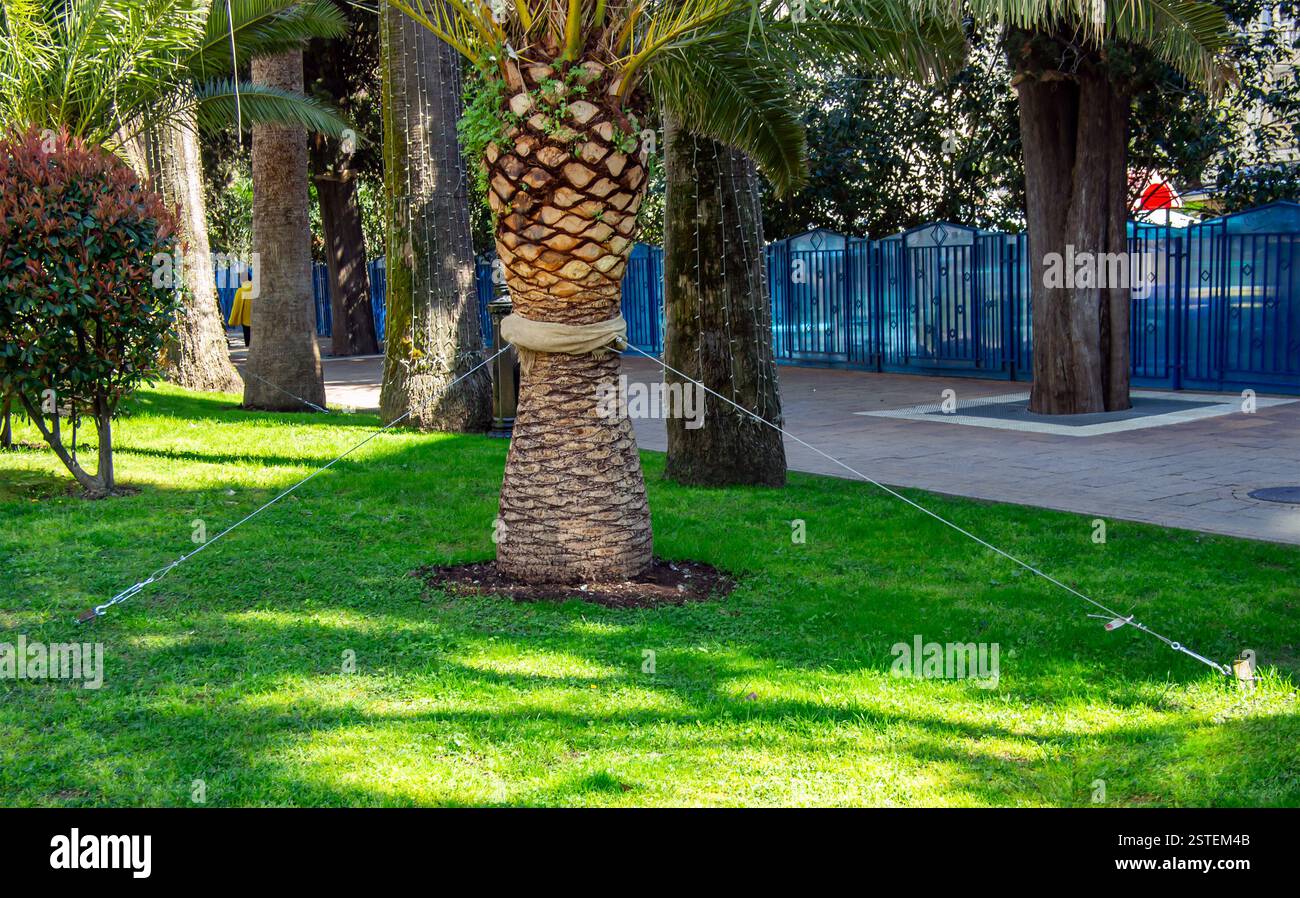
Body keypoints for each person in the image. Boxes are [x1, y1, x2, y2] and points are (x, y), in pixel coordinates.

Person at [228, 279, 253, 347]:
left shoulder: (240, 291)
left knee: (248, 344)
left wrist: (231, 321)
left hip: (246, 321)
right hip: (260, 320)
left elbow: (236, 307)